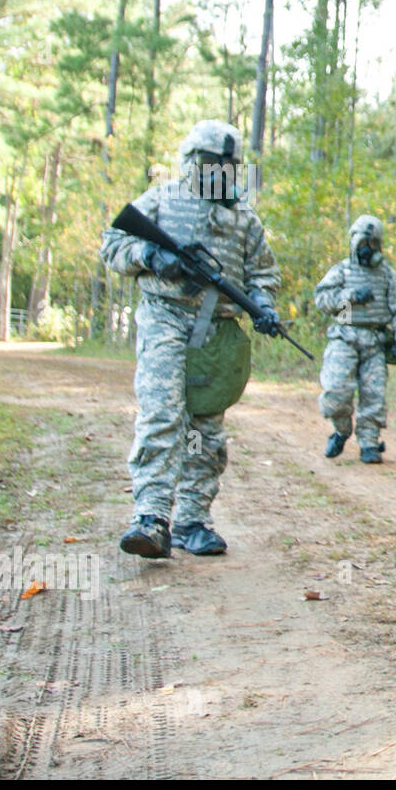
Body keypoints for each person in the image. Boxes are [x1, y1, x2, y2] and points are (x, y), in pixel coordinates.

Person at [100, 120, 281, 558]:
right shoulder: (162, 199)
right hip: (166, 319)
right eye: (209, 164)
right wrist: (151, 255)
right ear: (192, 163)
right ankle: (151, 516)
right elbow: (112, 244)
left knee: (204, 427)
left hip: (217, 333)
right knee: (163, 414)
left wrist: (262, 305)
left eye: (226, 165)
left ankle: (192, 520)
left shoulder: (244, 217)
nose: (218, 172)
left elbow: (263, 272)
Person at [314, 215, 396, 464]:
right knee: (335, 393)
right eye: (363, 243)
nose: (368, 249)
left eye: (373, 244)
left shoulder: (386, 274)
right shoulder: (342, 270)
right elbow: (322, 300)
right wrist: (351, 296)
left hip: (375, 341)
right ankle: (341, 430)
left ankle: (369, 443)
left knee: (374, 395)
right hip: (344, 337)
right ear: (354, 242)